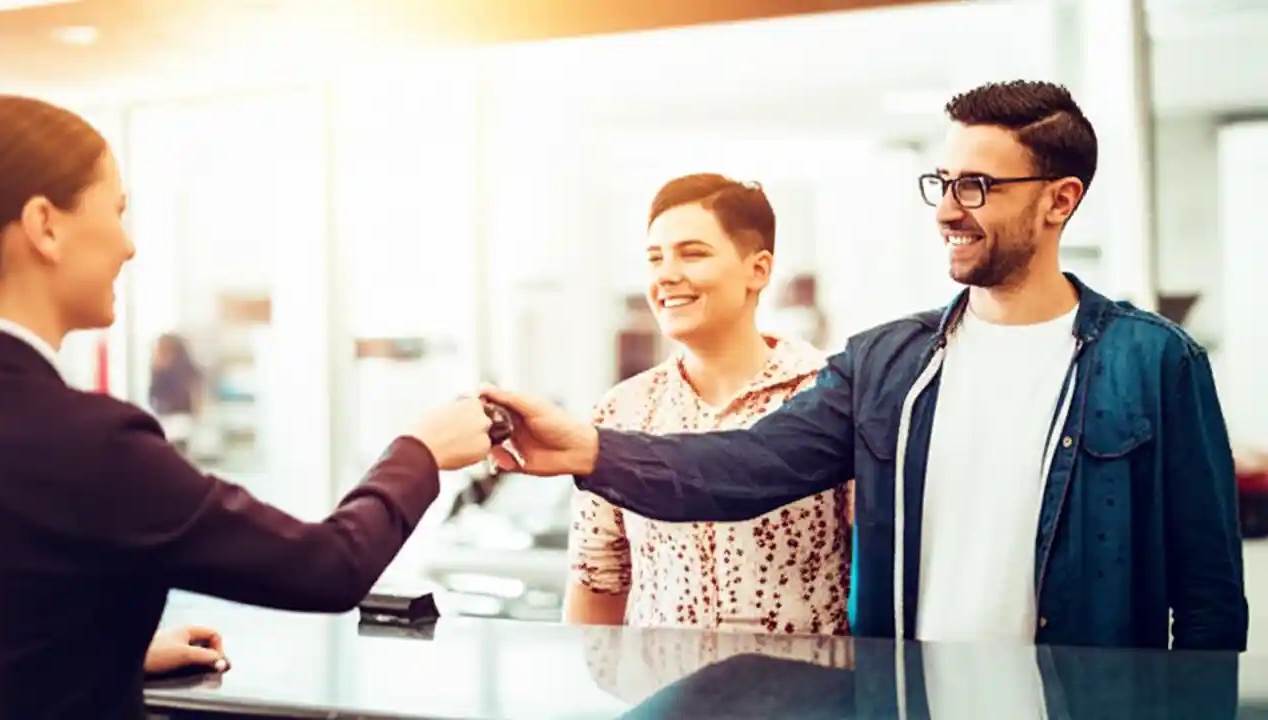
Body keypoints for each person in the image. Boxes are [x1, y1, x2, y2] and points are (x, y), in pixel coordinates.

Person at [485, 80, 1249, 651]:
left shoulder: (1155, 363)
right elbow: (743, 465)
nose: (949, 209)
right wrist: (589, 449)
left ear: (1059, 200)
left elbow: (1210, 597)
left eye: (977, 187)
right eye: (943, 184)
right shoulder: (886, 365)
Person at [0, 94, 495, 718]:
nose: (129, 245)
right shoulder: (88, 444)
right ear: (45, 225)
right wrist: (420, 452)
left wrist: (109, 646)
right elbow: (326, 567)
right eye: (117, 211)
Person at [567, 173, 850, 635]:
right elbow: (598, 582)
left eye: (693, 253)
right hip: (661, 698)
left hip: (804, 698)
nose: (665, 275)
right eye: (655, 258)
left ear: (758, 270)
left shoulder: (828, 395)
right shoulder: (621, 411)